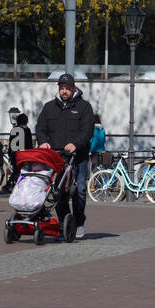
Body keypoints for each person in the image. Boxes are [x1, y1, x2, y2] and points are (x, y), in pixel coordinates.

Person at [34, 72, 95, 240]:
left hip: (78, 157)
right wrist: (43, 141)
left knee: (80, 190)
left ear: (74, 88)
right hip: (56, 158)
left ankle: (79, 221)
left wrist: (76, 143)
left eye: (67, 88)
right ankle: (65, 222)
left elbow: (88, 130)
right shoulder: (48, 107)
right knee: (57, 191)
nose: (64, 91)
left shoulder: (84, 107)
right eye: (62, 88)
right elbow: (40, 128)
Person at [7, 111, 32, 194]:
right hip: (23, 154)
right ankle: (18, 186)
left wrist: (10, 154)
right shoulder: (27, 130)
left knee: (16, 170)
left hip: (15, 153)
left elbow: (11, 143)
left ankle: (10, 185)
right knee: (22, 171)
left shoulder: (14, 129)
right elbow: (29, 143)